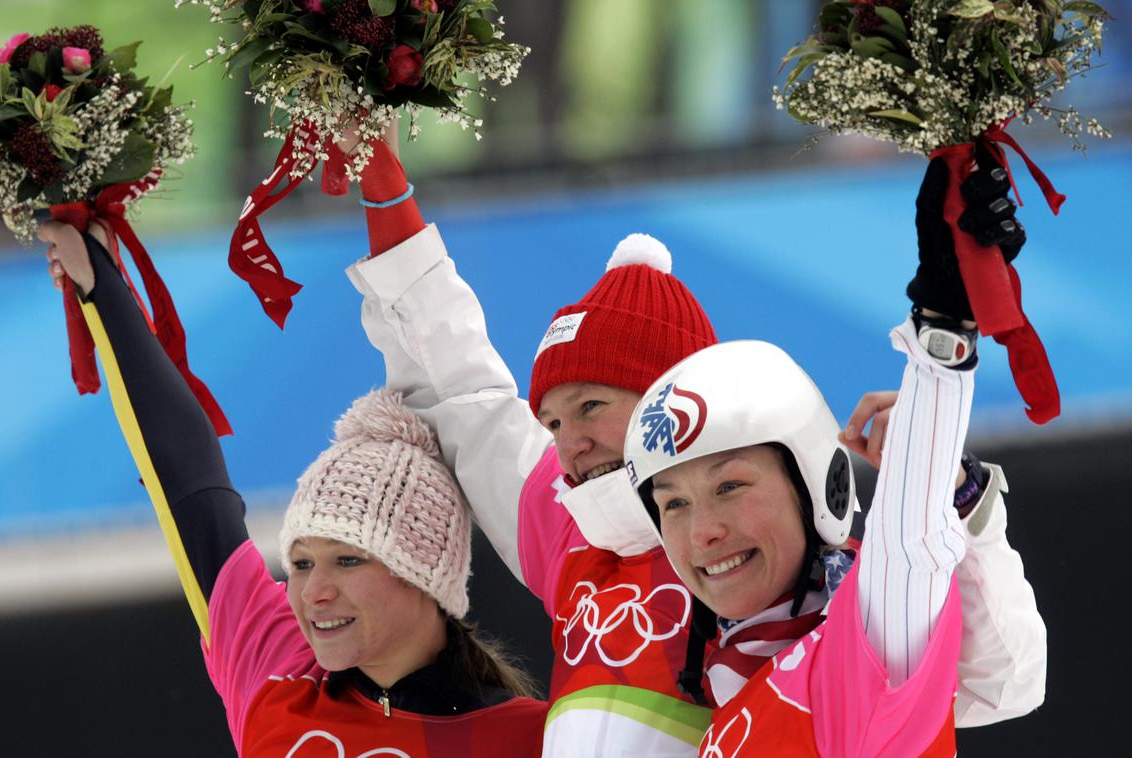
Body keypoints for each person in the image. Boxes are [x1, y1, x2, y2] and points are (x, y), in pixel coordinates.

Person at [340, 138, 1045, 754]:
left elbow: (1000, 684)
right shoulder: (574, 540)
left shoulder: (822, 576)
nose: (569, 444)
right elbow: (462, 394)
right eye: (551, 423)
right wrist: (386, 193)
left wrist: (949, 487)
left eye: (591, 407)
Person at [38, 220, 547, 757]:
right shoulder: (275, 672)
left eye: (347, 561)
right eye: (301, 563)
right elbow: (189, 481)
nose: (313, 593)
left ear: (424, 576)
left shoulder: (536, 739)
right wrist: (102, 287)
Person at [618, 152, 1024, 753]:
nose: (702, 530)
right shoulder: (716, 684)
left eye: (730, 486)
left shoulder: (858, 655)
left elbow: (911, 550)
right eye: (672, 504)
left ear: (822, 488)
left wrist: (944, 331)